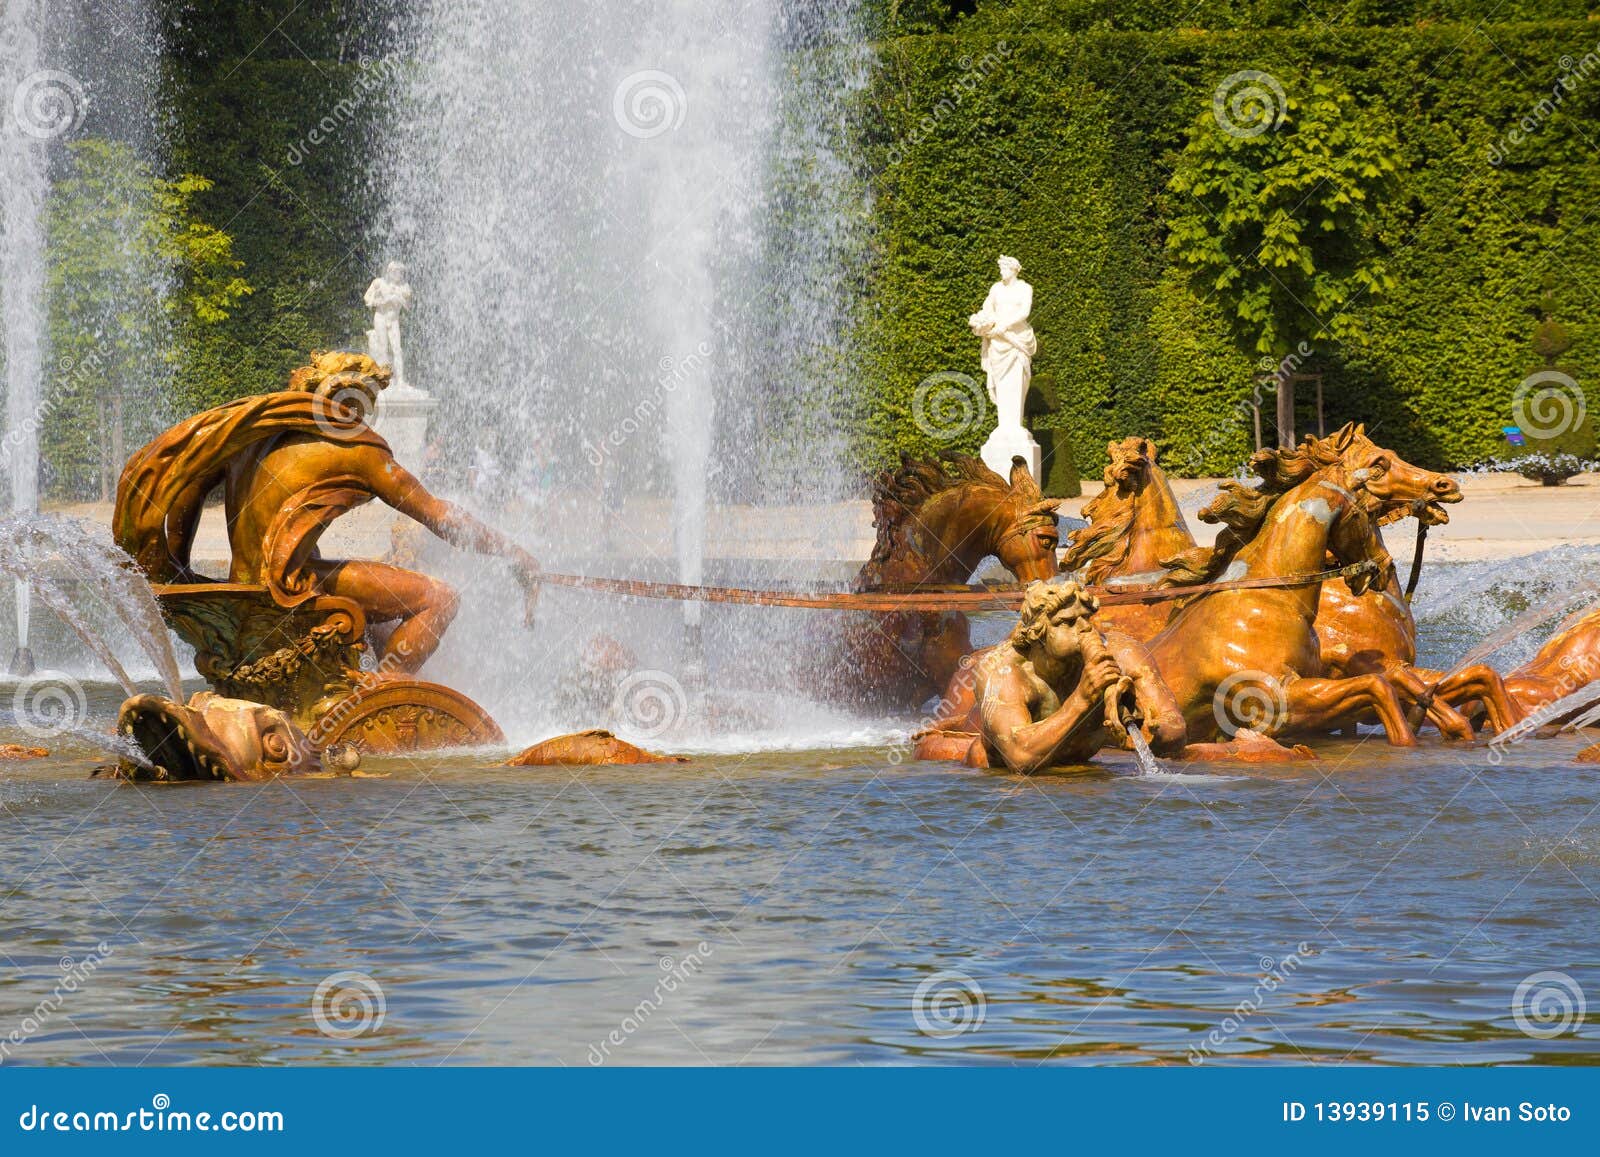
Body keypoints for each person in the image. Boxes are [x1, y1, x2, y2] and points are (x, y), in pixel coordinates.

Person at [116, 351, 541, 674]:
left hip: (242, 592)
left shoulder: (250, 438)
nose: (365, 413)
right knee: (439, 597)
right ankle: (382, 693)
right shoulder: (357, 449)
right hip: (287, 592)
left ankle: (345, 678)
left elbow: (187, 483)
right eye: (366, 400)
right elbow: (439, 515)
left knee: (375, 610)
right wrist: (515, 553)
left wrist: (176, 569)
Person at [968, 255, 1036, 432]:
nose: (1001, 272)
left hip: (1016, 340)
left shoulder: (1025, 288)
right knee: (1001, 385)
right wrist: (981, 322)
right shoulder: (996, 288)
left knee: (1016, 383)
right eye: (1000, 269)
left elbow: (1024, 311)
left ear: (1014, 269)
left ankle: (1015, 427)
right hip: (997, 343)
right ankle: (1004, 427)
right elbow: (987, 309)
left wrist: (1004, 325)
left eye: (1004, 269)